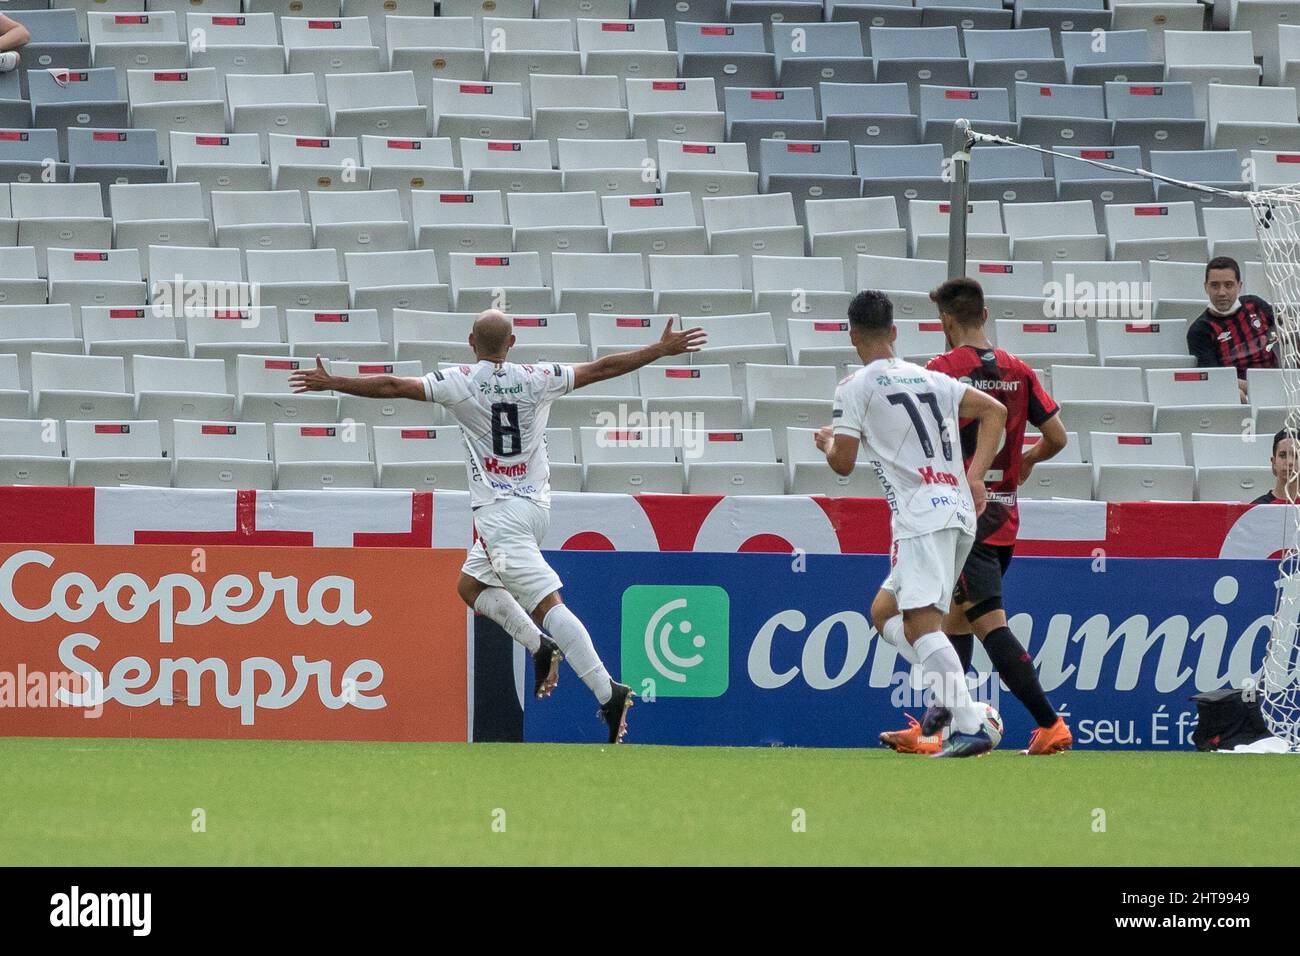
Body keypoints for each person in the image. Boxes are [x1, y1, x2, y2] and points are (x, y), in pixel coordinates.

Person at [289, 309, 707, 743]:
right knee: (469, 587)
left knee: (548, 604)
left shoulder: (459, 381)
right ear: (512, 343)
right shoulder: (539, 375)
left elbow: (393, 385)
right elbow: (604, 367)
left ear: (472, 342)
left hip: (500, 516)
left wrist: (334, 381)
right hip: (536, 508)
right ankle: (540, 645)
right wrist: (660, 349)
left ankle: (608, 692)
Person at [879, 277, 1073, 756]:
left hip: (964, 511)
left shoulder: (942, 370)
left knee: (987, 622)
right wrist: (1025, 460)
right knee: (955, 622)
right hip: (1005, 514)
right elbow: (1058, 437)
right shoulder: (1019, 370)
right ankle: (935, 730)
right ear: (985, 316)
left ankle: (1050, 724)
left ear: (946, 322)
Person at [816, 289, 1009, 758]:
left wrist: (824, 442)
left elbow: (842, 463)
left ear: (852, 336)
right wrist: (976, 475)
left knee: (923, 625)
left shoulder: (854, 386)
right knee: (884, 613)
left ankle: (971, 723)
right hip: (960, 511)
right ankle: (951, 696)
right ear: (895, 332)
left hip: (920, 515)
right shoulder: (930, 377)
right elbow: (995, 412)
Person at [1187, 256, 1279, 402]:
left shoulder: (1254, 305)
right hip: (1241, 391)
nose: (1221, 292)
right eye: (1215, 285)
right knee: (1235, 395)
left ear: (1239, 286)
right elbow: (1215, 377)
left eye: (1228, 285)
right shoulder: (1200, 330)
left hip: (1277, 382)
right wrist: (1259, 387)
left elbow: (1286, 324)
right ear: (1206, 287)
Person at [1253, 429, 1300, 505]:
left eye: (1296, 456)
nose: (1290, 462)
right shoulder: (1257, 508)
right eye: (1283, 455)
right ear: (1274, 463)